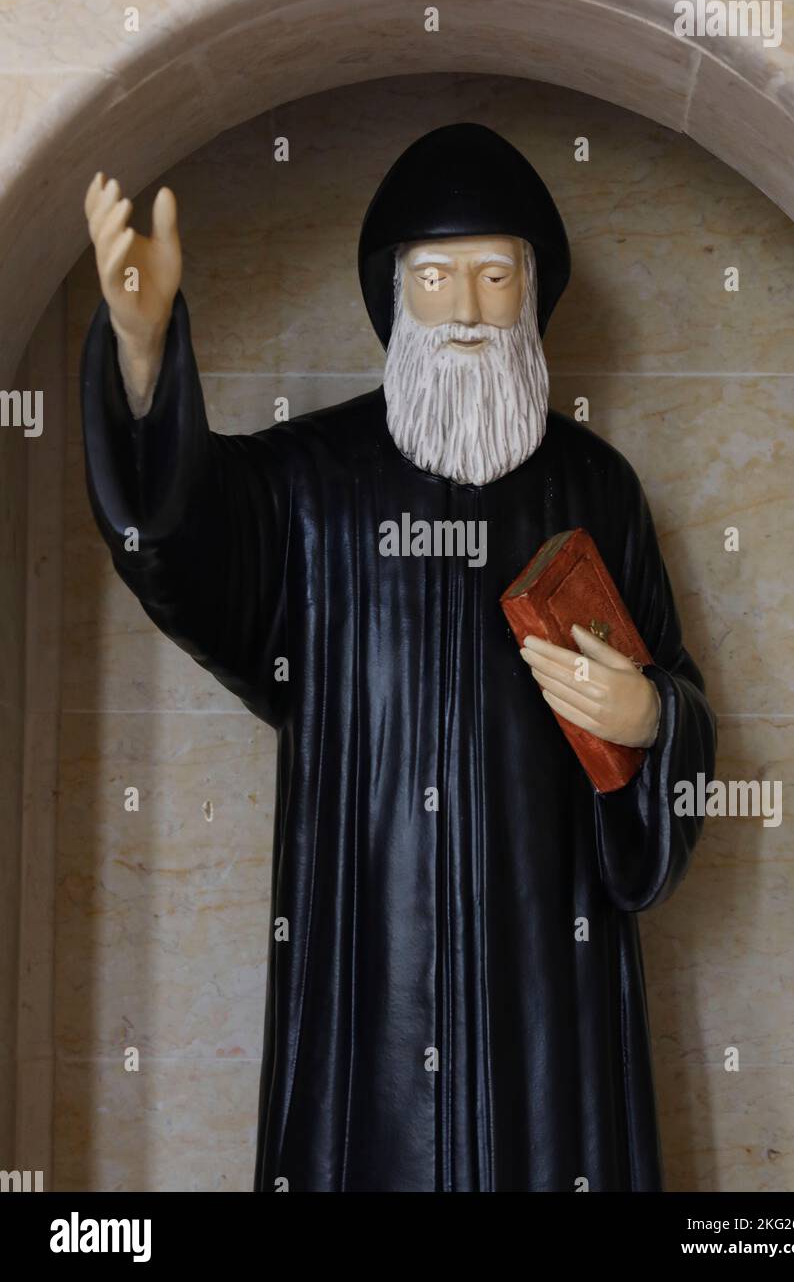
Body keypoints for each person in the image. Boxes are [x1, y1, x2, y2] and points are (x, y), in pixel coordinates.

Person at [81, 123, 716, 1192]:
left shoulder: (596, 488)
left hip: (544, 946)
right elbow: (181, 544)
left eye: (492, 275)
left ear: (532, 292)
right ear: (392, 294)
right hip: (367, 931)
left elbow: (681, 698)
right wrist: (143, 355)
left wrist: (650, 720)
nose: (465, 309)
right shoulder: (311, 482)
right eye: (434, 277)